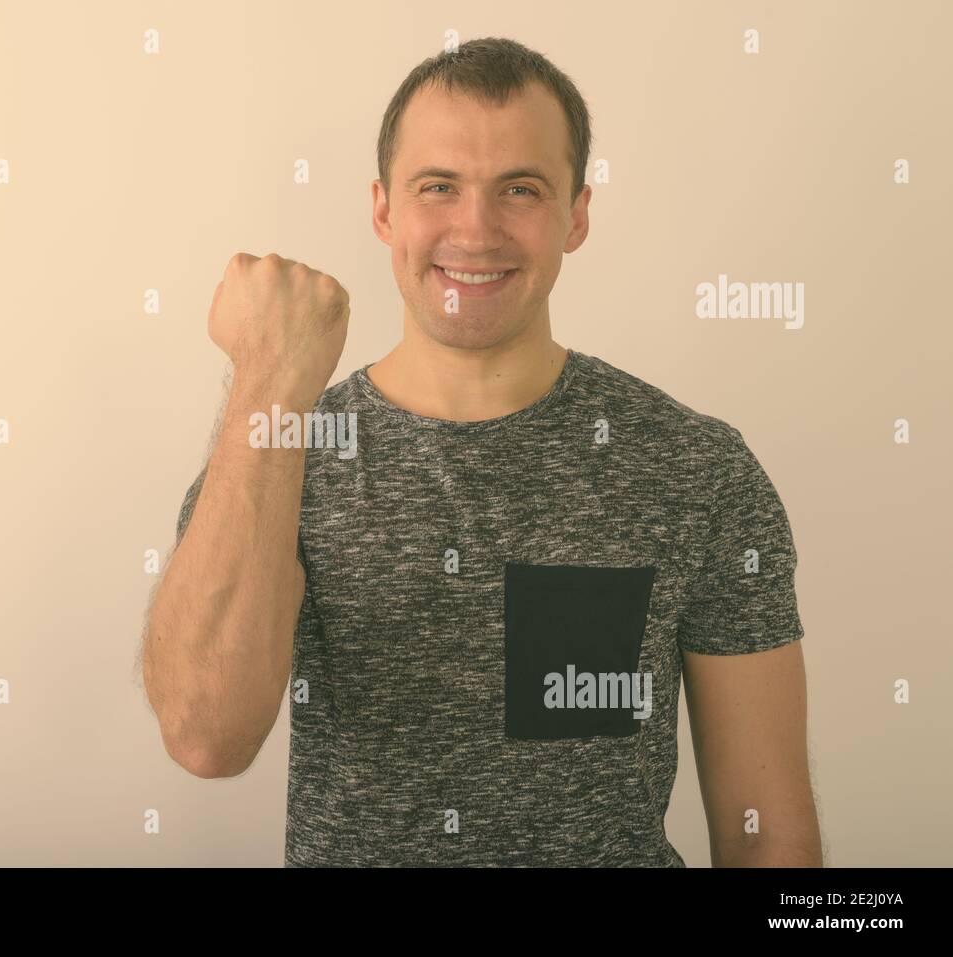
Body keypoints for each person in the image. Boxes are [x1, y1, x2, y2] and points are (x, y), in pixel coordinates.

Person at [140, 36, 822, 867]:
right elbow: (206, 737)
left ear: (576, 215)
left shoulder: (696, 469)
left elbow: (772, 836)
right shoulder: (281, 452)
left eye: (521, 190)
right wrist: (268, 378)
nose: (476, 227)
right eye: (439, 186)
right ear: (385, 209)